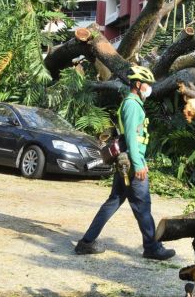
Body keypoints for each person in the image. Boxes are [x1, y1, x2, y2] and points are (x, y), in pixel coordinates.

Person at [74, 65, 175, 260]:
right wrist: (138, 164)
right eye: (147, 84)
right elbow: (130, 137)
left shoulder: (134, 104)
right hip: (131, 162)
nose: (149, 88)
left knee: (113, 202)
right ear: (138, 84)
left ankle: (86, 242)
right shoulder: (131, 105)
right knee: (143, 205)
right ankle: (152, 247)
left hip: (127, 161)